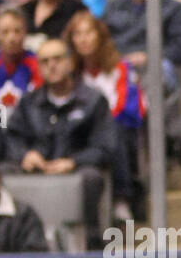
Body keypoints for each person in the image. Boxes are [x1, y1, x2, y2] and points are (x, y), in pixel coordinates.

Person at [6, 38, 118, 238]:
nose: (52, 66)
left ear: (70, 62)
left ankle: (90, 242)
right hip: (37, 170)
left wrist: (73, 162)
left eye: (57, 59)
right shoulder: (28, 102)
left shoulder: (94, 101)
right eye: (45, 61)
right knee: (1, 171)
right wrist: (26, 155)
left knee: (91, 178)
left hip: (76, 170)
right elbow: (11, 138)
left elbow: (106, 147)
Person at [63, 10, 143, 220]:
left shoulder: (120, 68)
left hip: (117, 129)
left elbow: (128, 107)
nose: (83, 40)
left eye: (88, 33)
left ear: (100, 36)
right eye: (77, 34)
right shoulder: (69, 74)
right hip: (80, 132)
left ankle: (121, 198)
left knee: (112, 130)